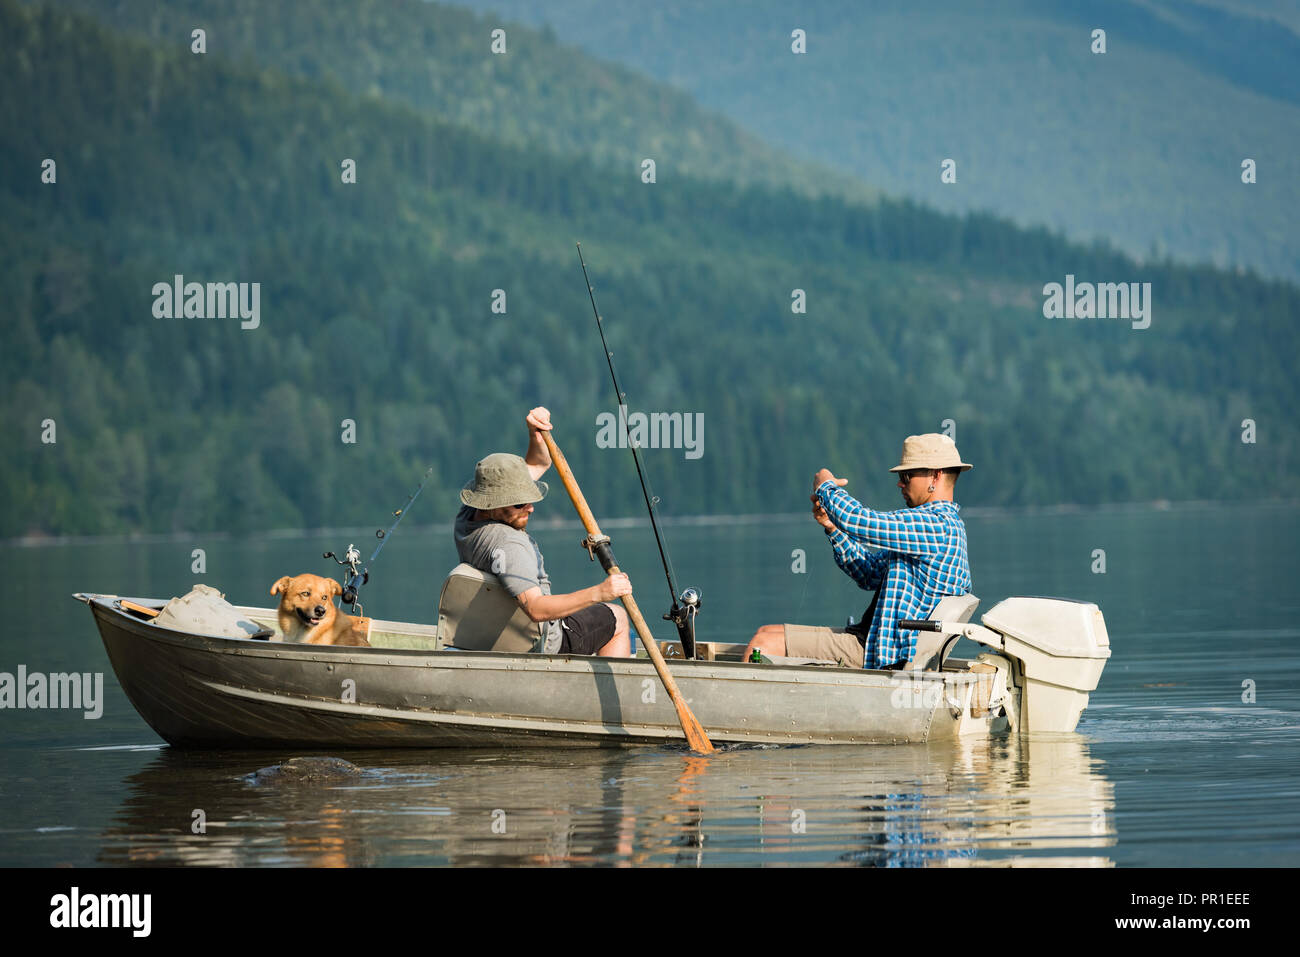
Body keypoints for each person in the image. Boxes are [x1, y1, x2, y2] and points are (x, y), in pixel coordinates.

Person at [744, 433, 972, 669]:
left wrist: (826, 487)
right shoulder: (940, 528)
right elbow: (869, 573)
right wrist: (833, 529)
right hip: (873, 641)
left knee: (762, 644)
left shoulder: (936, 526)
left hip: (882, 654)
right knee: (765, 632)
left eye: (906, 475)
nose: (900, 483)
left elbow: (859, 520)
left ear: (935, 475)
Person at [455, 407, 633, 657]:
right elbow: (537, 609)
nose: (530, 508)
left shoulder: (467, 517)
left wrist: (535, 434)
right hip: (545, 640)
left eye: (529, 498)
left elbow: (539, 462)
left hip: (496, 633)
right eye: (519, 503)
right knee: (618, 617)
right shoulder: (509, 546)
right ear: (492, 504)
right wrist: (601, 592)